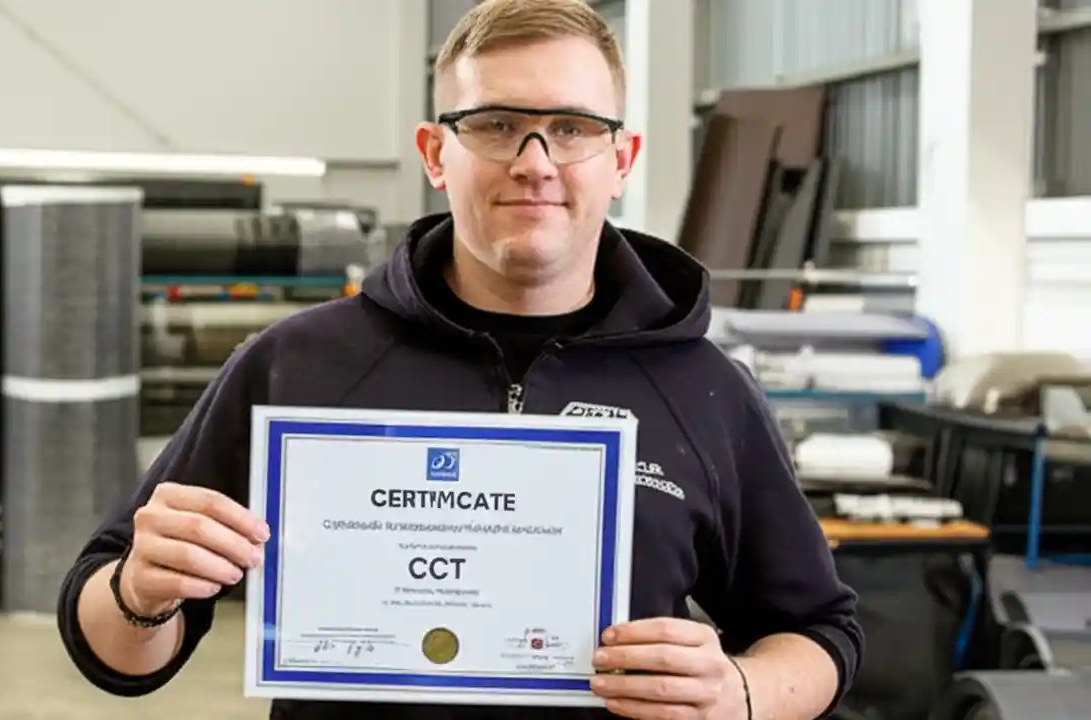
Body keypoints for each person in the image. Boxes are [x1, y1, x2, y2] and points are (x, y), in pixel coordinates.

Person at [57, 1, 863, 718]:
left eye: (576, 128)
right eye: (496, 124)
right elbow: (114, 653)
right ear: (435, 152)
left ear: (622, 159)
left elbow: (819, 629)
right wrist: (140, 592)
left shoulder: (704, 390)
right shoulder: (296, 366)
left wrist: (744, 694)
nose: (536, 160)